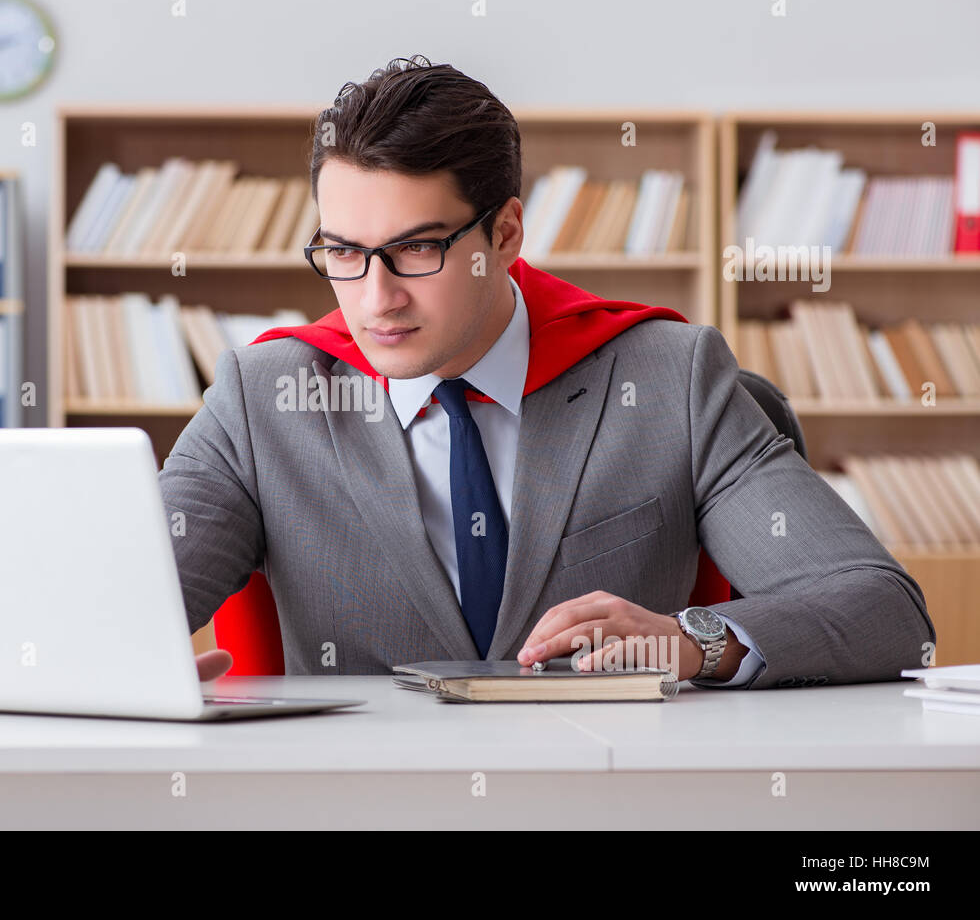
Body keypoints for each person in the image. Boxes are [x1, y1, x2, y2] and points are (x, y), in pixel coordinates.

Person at [166, 55, 933, 688]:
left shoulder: (670, 381)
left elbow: (884, 610)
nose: (376, 298)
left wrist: (691, 640)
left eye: (417, 249)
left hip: (606, 796)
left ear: (504, 233)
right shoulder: (263, 404)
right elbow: (114, 608)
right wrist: (118, 665)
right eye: (342, 251)